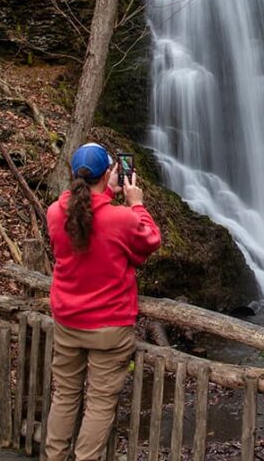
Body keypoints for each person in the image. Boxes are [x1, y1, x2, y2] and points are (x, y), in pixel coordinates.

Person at [44, 143, 162, 461]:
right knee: (99, 402)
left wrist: (105, 195)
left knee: (65, 396)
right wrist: (135, 204)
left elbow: (87, 230)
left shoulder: (55, 213)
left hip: (68, 321)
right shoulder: (120, 218)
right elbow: (150, 241)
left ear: (73, 174)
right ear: (109, 172)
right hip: (110, 327)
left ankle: (53, 456)